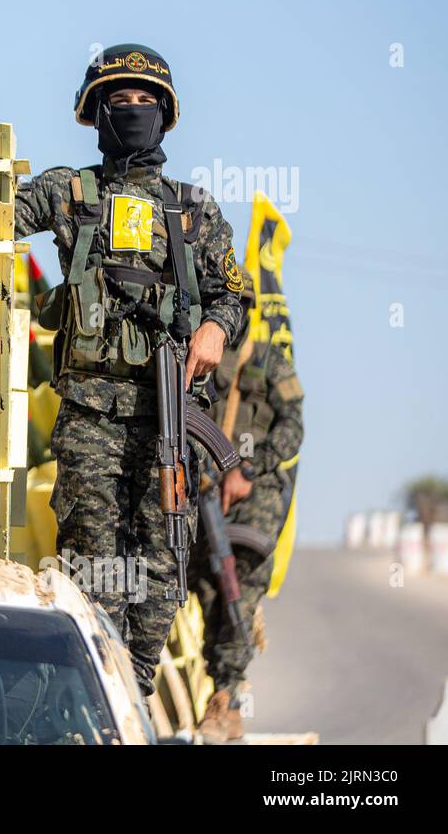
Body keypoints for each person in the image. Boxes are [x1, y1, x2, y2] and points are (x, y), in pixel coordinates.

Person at [15, 44, 245, 696]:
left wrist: (213, 328)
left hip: (168, 414)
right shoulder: (71, 192)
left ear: (166, 116)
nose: (135, 111)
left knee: (165, 561)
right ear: (97, 113)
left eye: (147, 102)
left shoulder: (194, 211)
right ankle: (101, 692)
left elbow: (234, 295)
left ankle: (133, 693)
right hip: (91, 410)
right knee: (93, 559)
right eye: (121, 101)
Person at [194, 272, 304, 743]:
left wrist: (249, 470)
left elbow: (293, 426)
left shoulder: (270, 362)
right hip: (203, 491)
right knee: (210, 591)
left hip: (253, 495)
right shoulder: (203, 352)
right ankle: (219, 689)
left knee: (241, 589)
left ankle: (227, 698)